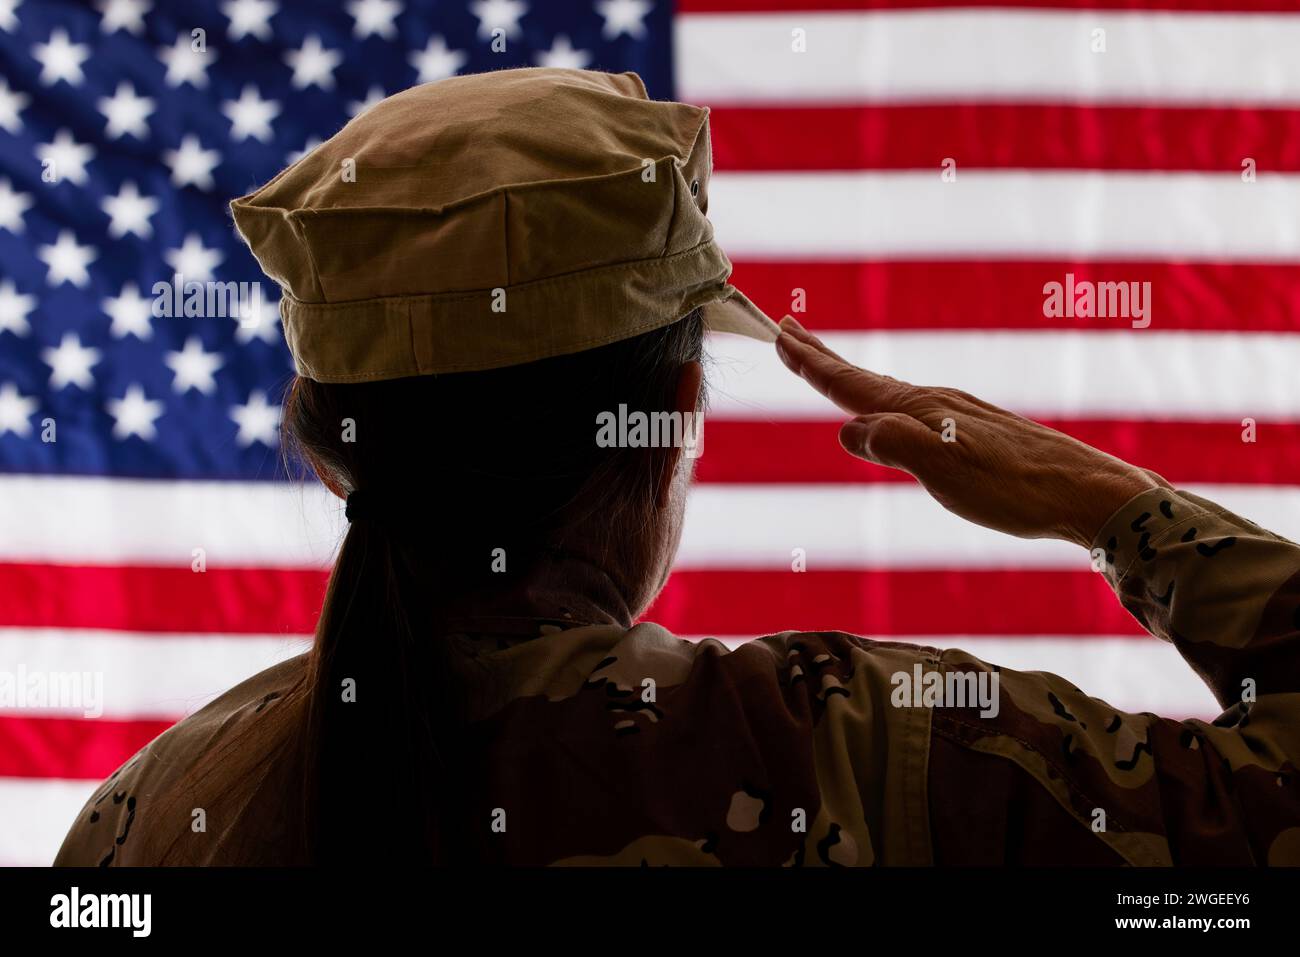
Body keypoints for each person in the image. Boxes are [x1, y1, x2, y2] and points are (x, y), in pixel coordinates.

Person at [56, 68, 1300, 867]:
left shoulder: (143, 822)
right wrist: (1117, 510)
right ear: (670, 417)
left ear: (333, 455)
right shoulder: (867, 753)